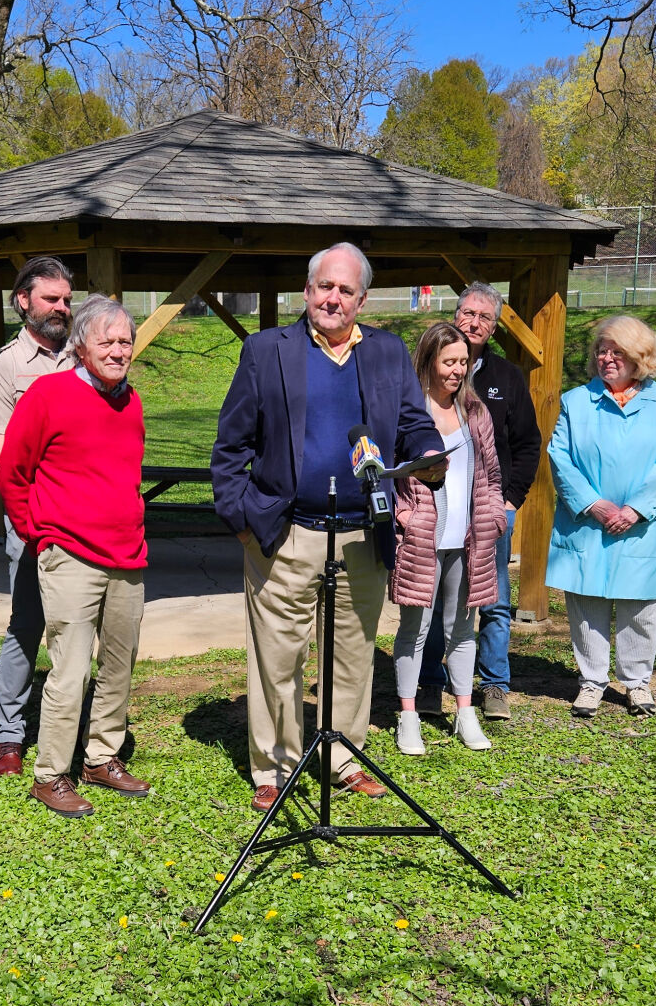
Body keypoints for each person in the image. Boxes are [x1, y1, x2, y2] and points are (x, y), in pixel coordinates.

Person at [212, 242, 445, 813]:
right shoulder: (267, 350)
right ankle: (276, 765)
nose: (332, 298)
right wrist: (245, 522)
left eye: (344, 290)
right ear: (306, 290)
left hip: (364, 535)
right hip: (285, 533)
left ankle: (343, 758)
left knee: (352, 653)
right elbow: (229, 447)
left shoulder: (389, 353)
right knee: (278, 656)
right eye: (323, 286)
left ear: (362, 299)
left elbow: (413, 425)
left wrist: (430, 452)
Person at [0, 297, 150, 817]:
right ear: (81, 346)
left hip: (127, 553)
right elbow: (12, 471)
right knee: (70, 668)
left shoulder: (131, 403)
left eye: (125, 341)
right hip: (70, 554)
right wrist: (36, 532)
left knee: (118, 662)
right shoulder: (48, 394)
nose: (117, 350)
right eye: (106, 341)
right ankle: (51, 773)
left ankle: (101, 757)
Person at [545, 315, 656, 719]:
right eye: (602, 351)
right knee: (586, 602)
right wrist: (595, 504)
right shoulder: (576, 401)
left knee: (641, 605)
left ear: (639, 357)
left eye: (617, 351)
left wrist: (636, 509)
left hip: (643, 524)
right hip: (588, 522)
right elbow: (560, 457)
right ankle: (591, 683)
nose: (607, 358)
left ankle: (637, 684)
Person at [416, 283, 540, 720]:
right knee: (431, 601)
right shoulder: (430, 374)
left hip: (488, 513)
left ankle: (493, 686)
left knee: (494, 601)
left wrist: (510, 501)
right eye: (467, 313)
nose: (473, 322)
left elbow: (527, 444)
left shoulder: (506, 378)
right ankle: (430, 683)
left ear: (494, 326)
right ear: (455, 315)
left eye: (484, 317)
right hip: (439, 510)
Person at [0, 257, 78, 777]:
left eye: (65, 300)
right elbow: (1, 455)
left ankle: (74, 728)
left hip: (86, 520)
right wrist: (37, 514)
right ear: (22, 301)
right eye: (50, 299)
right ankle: (10, 736)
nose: (61, 308)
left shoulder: (86, 357)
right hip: (34, 520)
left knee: (79, 626)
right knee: (28, 623)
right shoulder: (4, 369)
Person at [391, 322, 507, 754]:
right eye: (450, 362)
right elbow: (391, 475)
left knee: (462, 628)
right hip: (422, 539)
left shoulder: (475, 413)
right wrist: (405, 517)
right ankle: (408, 717)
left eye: (464, 362)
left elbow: (492, 475)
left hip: (469, 538)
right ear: (429, 361)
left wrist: (493, 517)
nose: (458, 370)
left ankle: (464, 713)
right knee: (415, 630)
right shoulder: (409, 411)